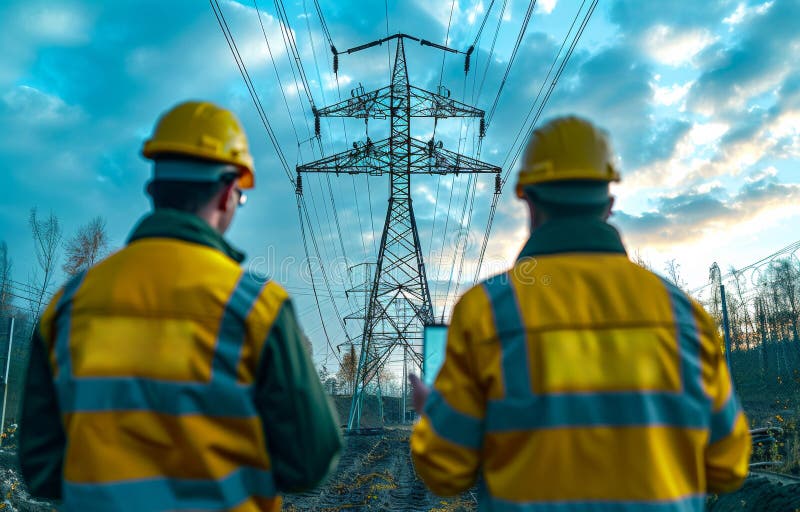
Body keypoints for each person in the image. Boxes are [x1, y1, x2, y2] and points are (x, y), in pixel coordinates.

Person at [410, 116, 751, 511]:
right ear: (609, 204)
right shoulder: (684, 315)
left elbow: (444, 470)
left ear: (528, 199)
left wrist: (433, 413)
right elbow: (729, 466)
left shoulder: (486, 311)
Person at [19, 101, 341, 511]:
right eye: (240, 199)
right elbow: (310, 462)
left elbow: (41, 467)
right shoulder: (256, 308)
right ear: (227, 194)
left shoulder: (68, 305)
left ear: (154, 190)